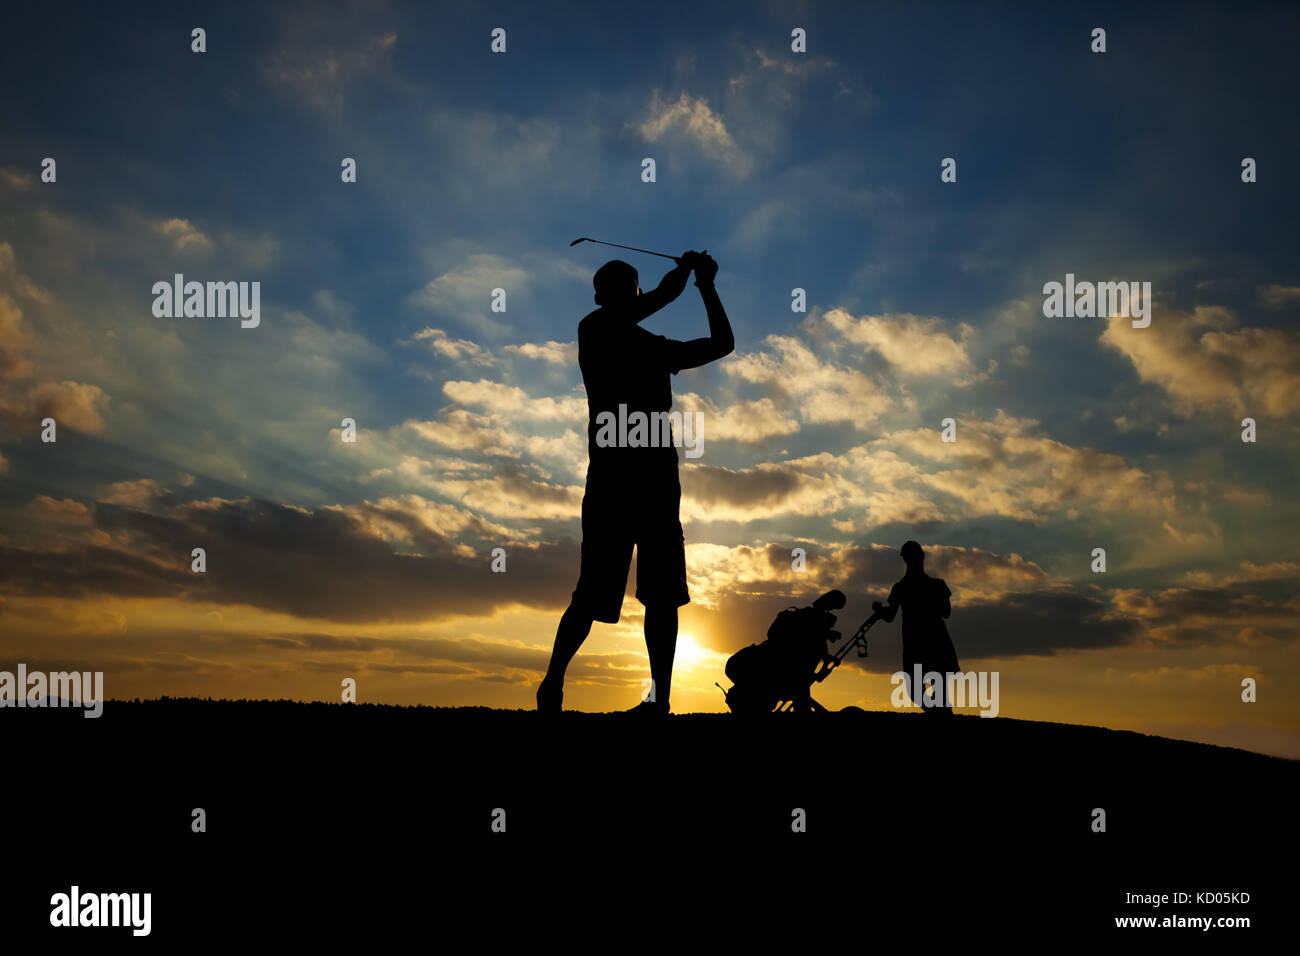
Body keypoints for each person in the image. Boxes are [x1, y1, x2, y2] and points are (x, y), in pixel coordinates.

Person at [537, 250, 734, 715]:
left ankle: (658, 700)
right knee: (591, 594)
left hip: (653, 480)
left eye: (631, 288)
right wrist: (690, 274)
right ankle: (553, 683)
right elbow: (667, 294)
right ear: (604, 298)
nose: (629, 296)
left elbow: (722, 344)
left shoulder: (654, 346)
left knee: (661, 595)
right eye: (623, 289)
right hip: (614, 480)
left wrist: (705, 285)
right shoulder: (595, 329)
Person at [872, 541, 960, 715]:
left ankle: (937, 714)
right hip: (931, 642)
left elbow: (889, 616)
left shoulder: (902, 588)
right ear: (922, 556)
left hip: (921, 643)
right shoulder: (935, 585)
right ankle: (938, 714)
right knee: (930, 691)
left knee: (922, 690)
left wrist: (879, 610)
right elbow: (946, 612)